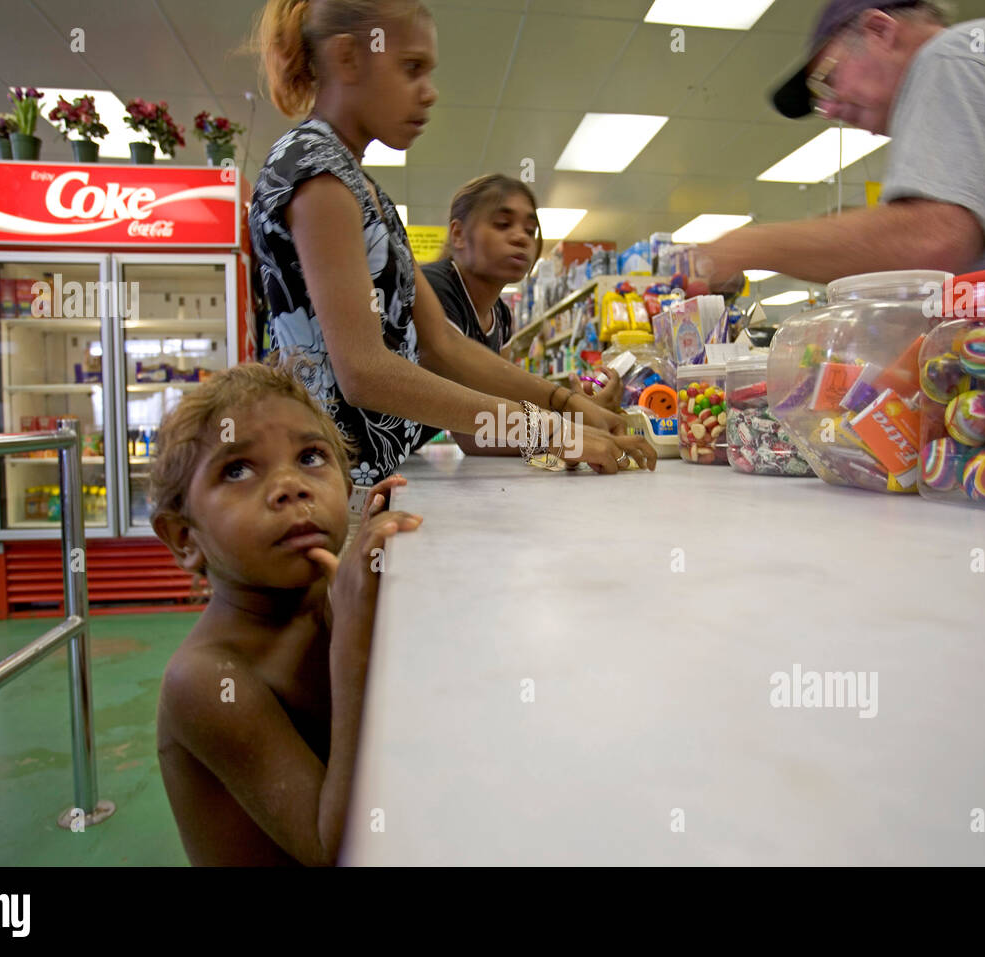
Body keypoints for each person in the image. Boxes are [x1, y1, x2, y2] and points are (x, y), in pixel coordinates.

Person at [248, 0, 654, 493]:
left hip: (367, 482)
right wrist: (548, 431)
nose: (430, 92)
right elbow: (364, 372)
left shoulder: (365, 190)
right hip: (328, 486)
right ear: (348, 58)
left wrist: (570, 406)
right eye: (411, 68)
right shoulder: (317, 174)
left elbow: (443, 343)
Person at [152, 364, 422, 865]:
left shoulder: (330, 597)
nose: (290, 487)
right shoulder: (206, 679)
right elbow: (334, 850)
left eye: (311, 456)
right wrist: (356, 639)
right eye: (237, 469)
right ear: (184, 538)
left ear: (349, 487)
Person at [701, 0, 985, 303]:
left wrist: (741, 247)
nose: (829, 108)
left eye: (828, 81)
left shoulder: (951, 56)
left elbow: (933, 240)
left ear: (879, 30)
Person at [419, 174, 624, 455]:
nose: (520, 237)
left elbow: (480, 432)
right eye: (502, 224)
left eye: (529, 230)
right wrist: (570, 411)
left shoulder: (501, 317)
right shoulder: (435, 288)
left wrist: (584, 422)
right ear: (458, 235)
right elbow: (447, 357)